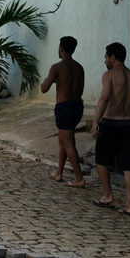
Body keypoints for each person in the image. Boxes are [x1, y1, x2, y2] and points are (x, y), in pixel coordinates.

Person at [91, 42, 130, 216]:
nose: (105, 61)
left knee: (102, 160)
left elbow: (104, 99)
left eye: (106, 57)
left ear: (113, 57)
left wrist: (95, 121)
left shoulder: (109, 75)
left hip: (111, 124)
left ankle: (107, 195)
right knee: (128, 167)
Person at [41, 36, 86, 187]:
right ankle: (59, 172)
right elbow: (80, 90)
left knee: (68, 143)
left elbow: (43, 88)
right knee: (62, 140)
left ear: (61, 48)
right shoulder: (79, 67)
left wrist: (50, 79)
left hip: (64, 107)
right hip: (77, 107)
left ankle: (79, 178)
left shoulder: (56, 67)